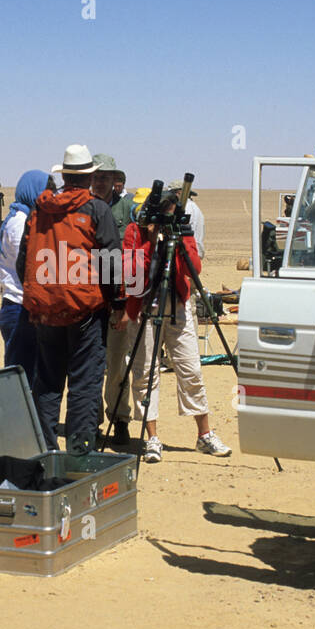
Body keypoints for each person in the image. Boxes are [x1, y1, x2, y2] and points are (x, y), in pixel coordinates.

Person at [17, 145, 120, 455]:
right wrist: (116, 302)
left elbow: (24, 261)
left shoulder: (39, 209)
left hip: (46, 311)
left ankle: (45, 451)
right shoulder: (96, 209)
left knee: (47, 382)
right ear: (89, 177)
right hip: (85, 312)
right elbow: (111, 262)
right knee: (85, 384)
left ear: (65, 176)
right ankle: (79, 454)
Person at [122, 190, 232, 463]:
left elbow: (195, 267)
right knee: (145, 374)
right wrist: (149, 239)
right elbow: (134, 272)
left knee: (191, 369)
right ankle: (152, 439)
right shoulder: (134, 232)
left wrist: (180, 239)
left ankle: (204, 435)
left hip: (179, 307)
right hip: (146, 308)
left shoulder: (182, 232)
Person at [92, 155, 133, 445]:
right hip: (90, 300)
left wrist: (127, 303)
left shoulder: (128, 208)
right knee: (90, 365)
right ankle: (90, 421)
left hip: (118, 299)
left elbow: (135, 254)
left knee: (117, 366)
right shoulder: (84, 206)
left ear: (114, 179)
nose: (101, 180)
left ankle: (119, 419)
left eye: (106, 176)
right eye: (97, 175)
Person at [0, 170, 50, 388]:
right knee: (22, 378)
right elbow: (27, 266)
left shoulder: (22, 216)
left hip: (20, 305)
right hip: (20, 307)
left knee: (28, 373)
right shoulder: (20, 222)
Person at [166, 179, 205, 260]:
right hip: (193, 253)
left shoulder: (184, 208)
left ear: (179, 193)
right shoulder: (194, 207)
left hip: (186, 253)